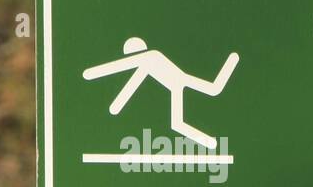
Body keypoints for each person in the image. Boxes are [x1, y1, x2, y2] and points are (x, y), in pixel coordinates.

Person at [83, 37, 239, 150]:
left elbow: (120, 67)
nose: (131, 58)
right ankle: (210, 143)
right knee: (205, 96)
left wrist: (91, 73)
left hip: (178, 81)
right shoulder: (148, 61)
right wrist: (118, 104)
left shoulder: (149, 56)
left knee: (212, 91)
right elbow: (136, 79)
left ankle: (232, 61)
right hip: (178, 82)